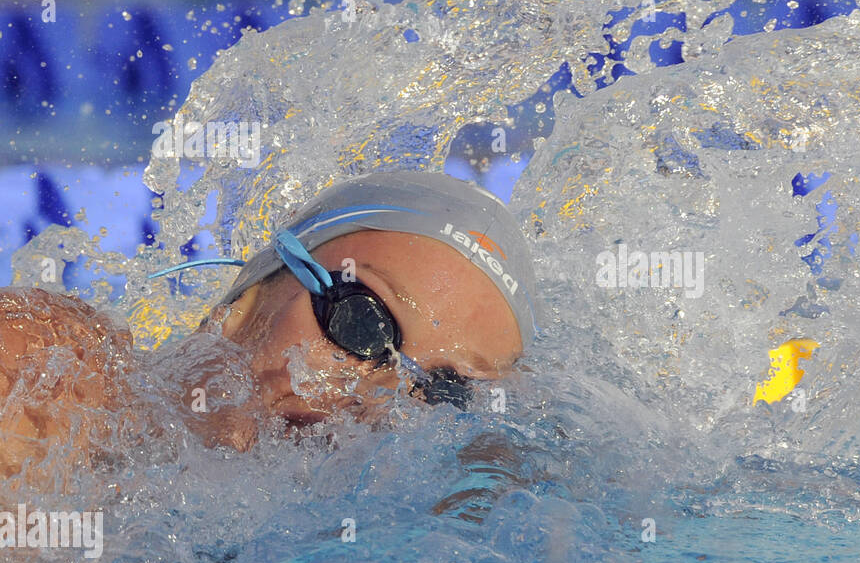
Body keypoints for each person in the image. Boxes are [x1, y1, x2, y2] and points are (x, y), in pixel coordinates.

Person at [0, 171, 539, 488]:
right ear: (250, 296)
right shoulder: (49, 373)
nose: (381, 396)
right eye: (363, 324)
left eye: (444, 391)